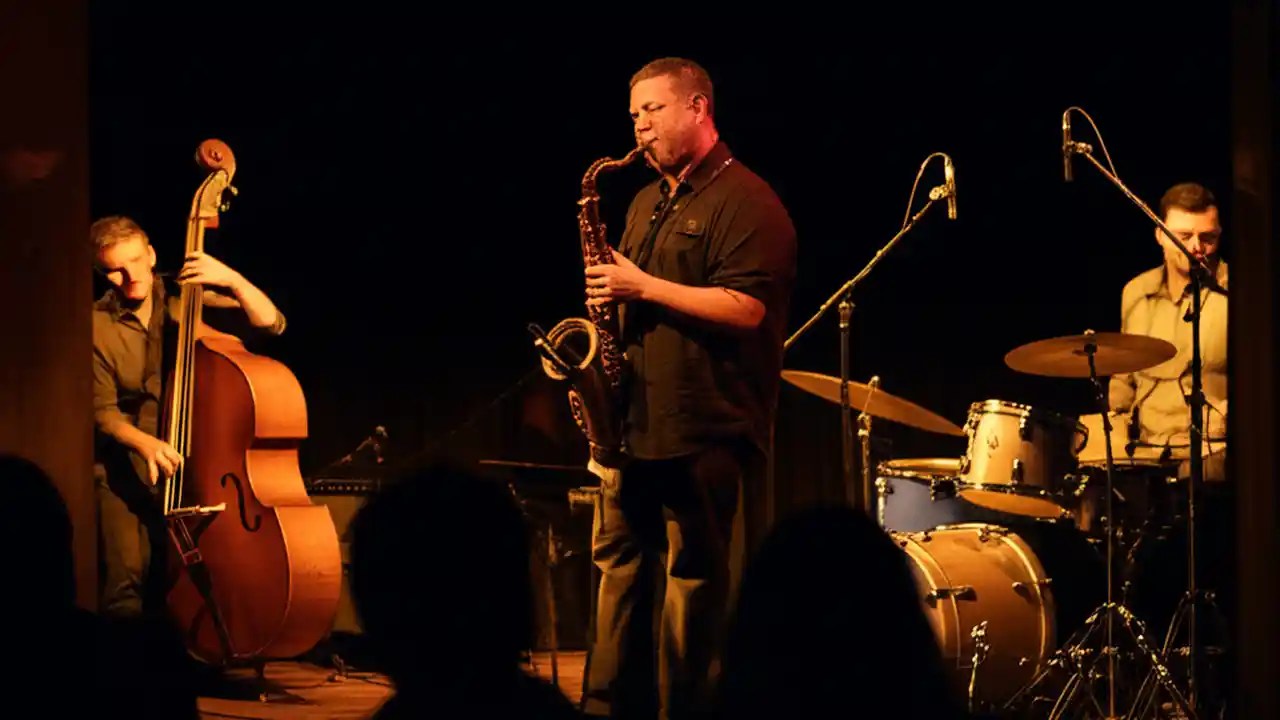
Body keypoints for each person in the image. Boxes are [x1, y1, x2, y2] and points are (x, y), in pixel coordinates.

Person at [579, 57, 798, 720]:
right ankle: (606, 707)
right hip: (631, 424)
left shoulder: (750, 201)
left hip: (703, 427)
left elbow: (747, 309)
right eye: (634, 115)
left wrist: (640, 285)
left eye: (653, 111)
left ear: (698, 108)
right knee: (617, 573)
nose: (640, 127)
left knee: (692, 586)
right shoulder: (646, 200)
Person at [91, 215, 287, 621]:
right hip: (126, 467)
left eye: (133, 262)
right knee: (127, 580)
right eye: (113, 269)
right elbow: (102, 412)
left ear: (151, 255)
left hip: (200, 461)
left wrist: (232, 279)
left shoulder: (188, 302)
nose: (127, 277)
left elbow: (270, 323)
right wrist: (145, 443)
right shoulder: (94, 326)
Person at [1106, 181, 1232, 712]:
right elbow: (1120, 391)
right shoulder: (1136, 293)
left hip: (1219, 464)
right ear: (1160, 235)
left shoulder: (1241, 293)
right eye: (1184, 236)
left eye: (1207, 237)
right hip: (1148, 464)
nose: (1196, 248)